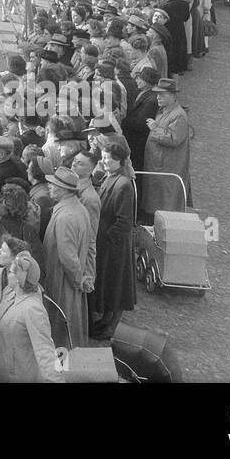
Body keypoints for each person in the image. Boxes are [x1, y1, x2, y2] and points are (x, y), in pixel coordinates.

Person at [0, 251, 63, 383]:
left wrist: (56, 380)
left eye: (11, 272)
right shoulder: (8, 293)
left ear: (20, 277)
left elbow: (45, 350)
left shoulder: (33, 308)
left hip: (19, 375)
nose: (7, 274)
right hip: (1, 370)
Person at [88, 139, 136, 340]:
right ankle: (106, 321)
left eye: (108, 158)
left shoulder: (123, 184)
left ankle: (111, 328)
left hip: (115, 247)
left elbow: (124, 221)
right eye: (103, 157)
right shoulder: (111, 177)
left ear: (120, 160)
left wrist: (107, 240)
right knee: (111, 286)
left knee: (117, 288)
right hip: (109, 243)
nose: (104, 161)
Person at [41, 164, 93, 348]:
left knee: (61, 326)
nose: (50, 187)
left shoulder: (66, 216)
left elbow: (68, 257)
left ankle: (64, 366)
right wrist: (86, 276)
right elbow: (89, 247)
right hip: (71, 280)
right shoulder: (79, 209)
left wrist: (79, 280)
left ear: (64, 189)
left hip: (62, 282)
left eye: (53, 184)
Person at [144, 79, 193, 205]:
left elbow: (173, 139)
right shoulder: (164, 110)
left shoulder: (179, 115)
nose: (158, 97)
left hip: (167, 167)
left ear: (172, 96)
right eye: (157, 94)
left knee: (165, 200)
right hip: (159, 165)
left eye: (162, 94)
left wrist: (155, 129)